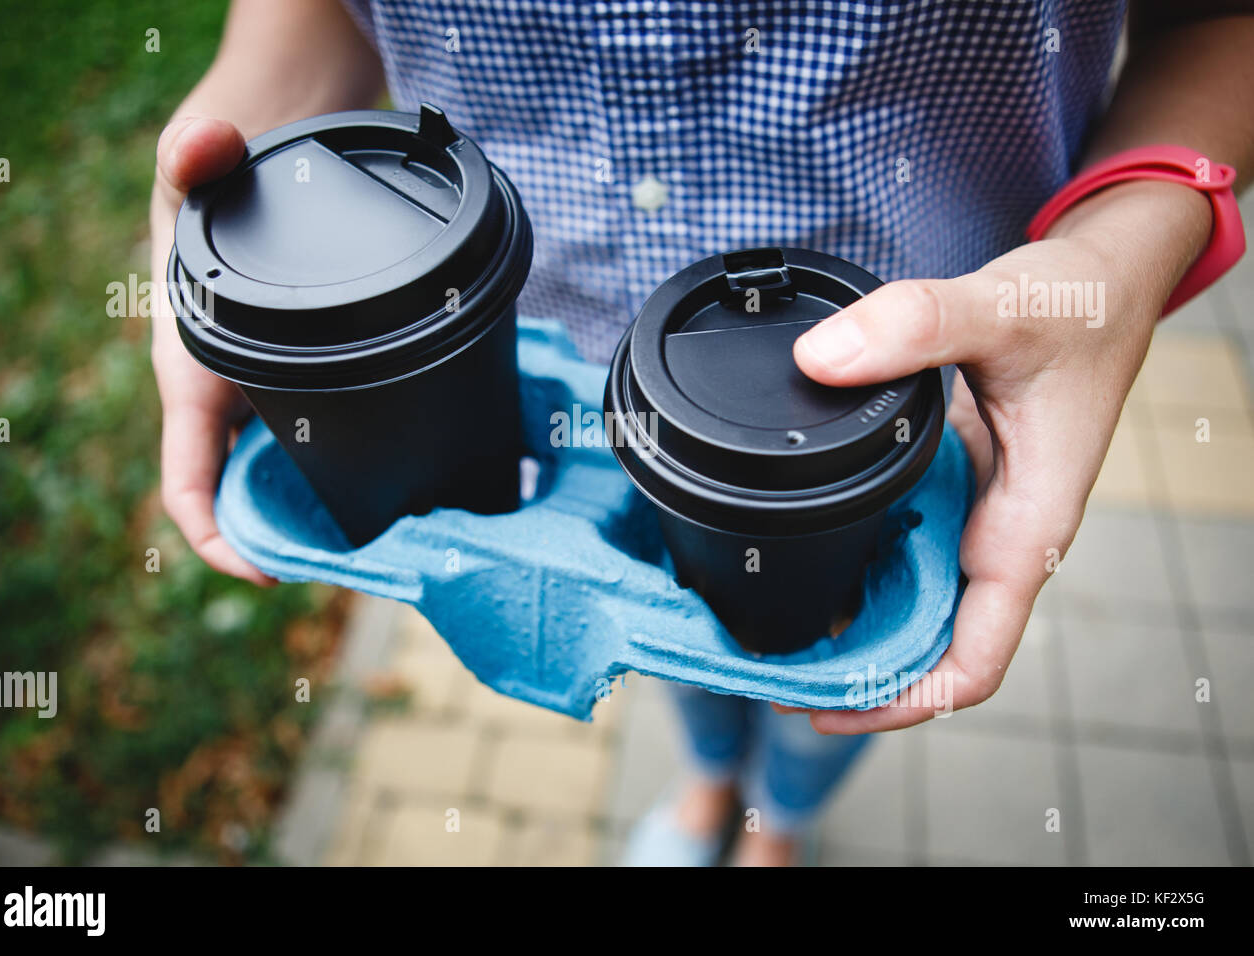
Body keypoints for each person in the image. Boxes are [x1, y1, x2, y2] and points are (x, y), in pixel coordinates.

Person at [149, 0, 1253, 865]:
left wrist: (1115, 258)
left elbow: (1216, 21)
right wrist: (236, 185)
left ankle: (777, 817)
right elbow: (316, 14)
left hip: (931, 377)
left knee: (827, 674)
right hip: (560, 348)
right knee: (689, 633)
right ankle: (711, 783)